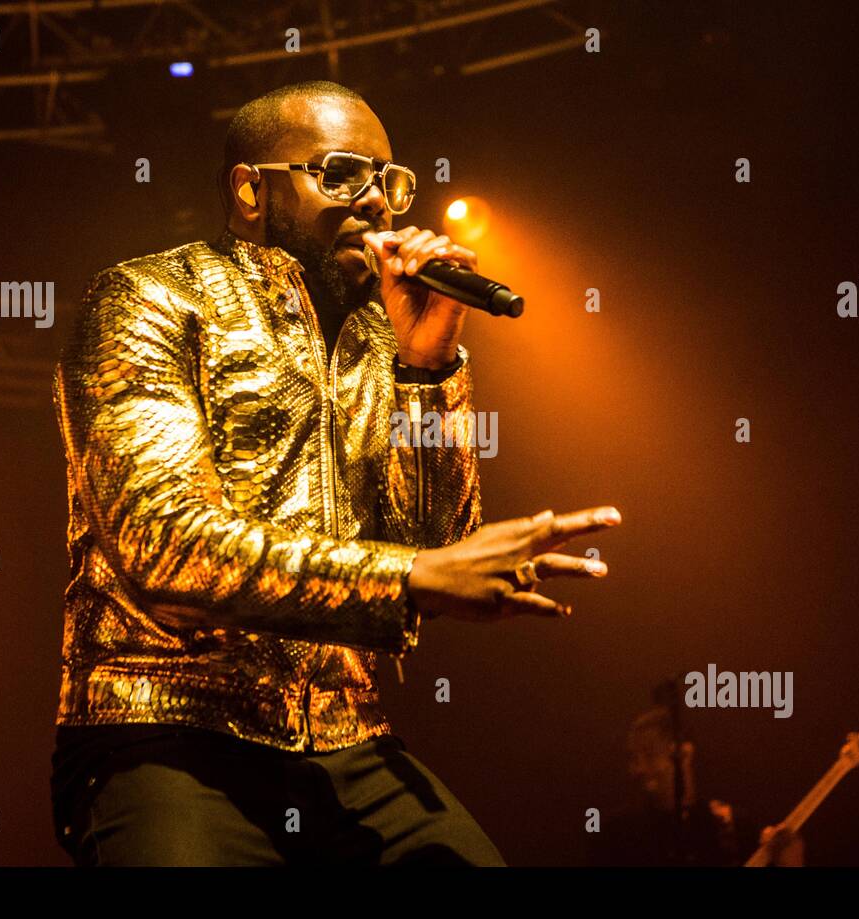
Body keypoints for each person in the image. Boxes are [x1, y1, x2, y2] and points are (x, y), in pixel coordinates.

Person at [48, 80, 622, 866]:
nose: (378, 202)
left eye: (390, 180)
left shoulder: (381, 337)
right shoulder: (149, 298)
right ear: (251, 189)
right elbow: (167, 547)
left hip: (345, 733)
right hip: (164, 727)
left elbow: (433, 542)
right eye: (342, 173)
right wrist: (413, 577)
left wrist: (427, 368)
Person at [588, 703, 804, 866]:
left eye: (650, 755)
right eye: (634, 759)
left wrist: (791, 864)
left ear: (685, 753)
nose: (639, 768)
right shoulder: (617, 836)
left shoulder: (732, 827)